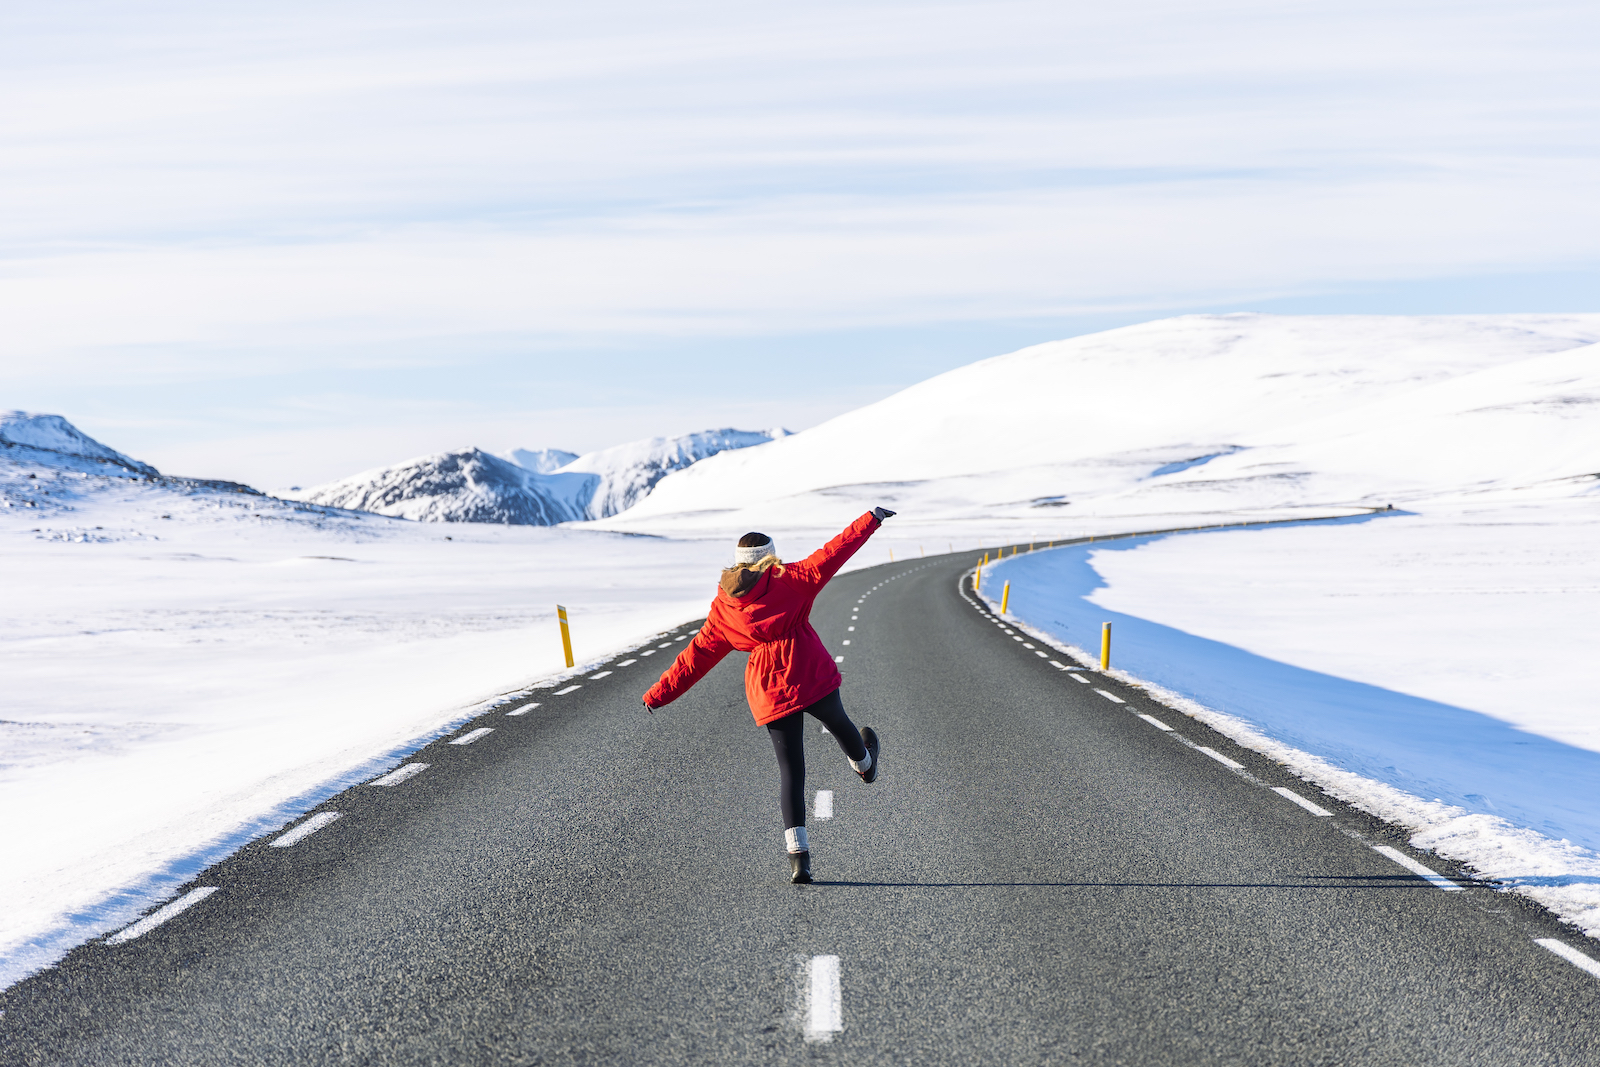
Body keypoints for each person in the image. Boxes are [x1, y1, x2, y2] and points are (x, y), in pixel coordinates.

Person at [641, 507, 896, 883]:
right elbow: (834, 552)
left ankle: (799, 859)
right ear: (770, 557)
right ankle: (864, 765)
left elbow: (695, 658)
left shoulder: (724, 607)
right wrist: (870, 519)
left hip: (770, 691)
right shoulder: (791, 578)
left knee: (791, 772)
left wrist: (658, 694)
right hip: (809, 672)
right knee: (840, 724)